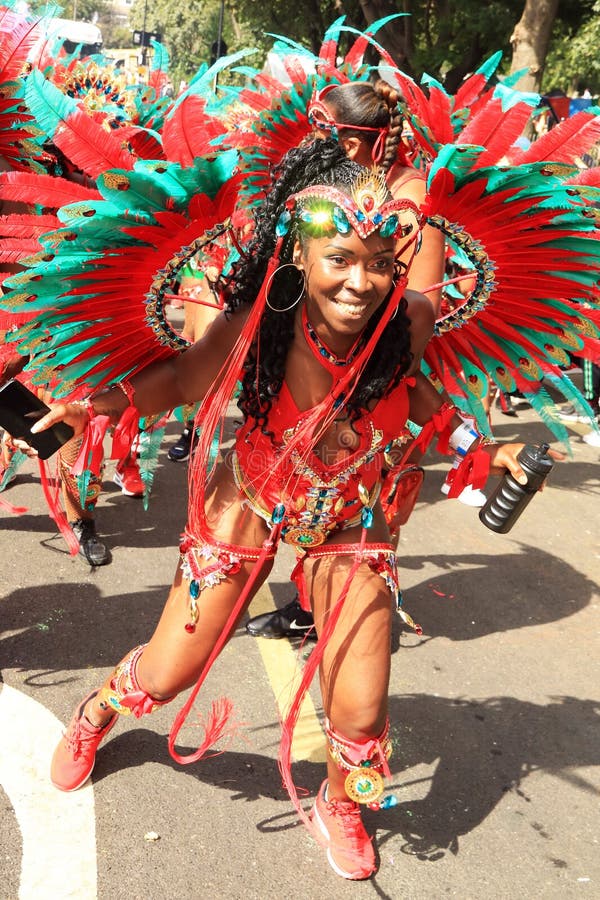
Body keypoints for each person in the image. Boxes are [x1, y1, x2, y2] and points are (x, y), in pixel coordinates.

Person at [20, 140, 544, 881]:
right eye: (340, 259)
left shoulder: (400, 326)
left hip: (350, 515)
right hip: (254, 498)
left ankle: (342, 800)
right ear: (300, 254)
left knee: (360, 708)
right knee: (167, 673)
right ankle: (100, 710)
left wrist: (490, 453)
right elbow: (179, 380)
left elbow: (422, 400)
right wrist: (97, 408)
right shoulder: (262, 321)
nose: (359, 282)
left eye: (377, 263)